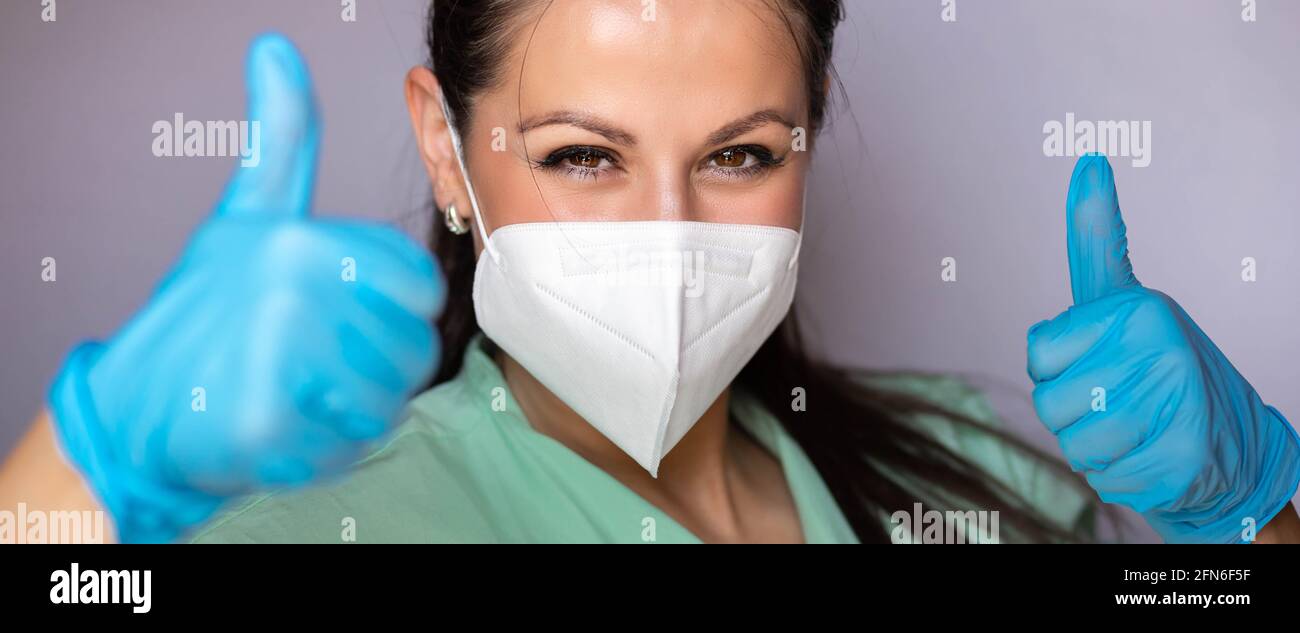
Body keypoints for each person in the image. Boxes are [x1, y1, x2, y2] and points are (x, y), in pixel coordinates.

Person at [1, 0, 1297, 544]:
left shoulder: (974, 477)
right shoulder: (308, 524)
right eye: (580, 156)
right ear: (446, 151)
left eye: (738, 152)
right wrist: (82, 467)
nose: (665, 235)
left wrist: (1257, 512)